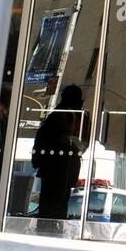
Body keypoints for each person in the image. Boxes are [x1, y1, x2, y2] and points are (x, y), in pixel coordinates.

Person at [32, 83, 86, 227]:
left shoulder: (62, 115)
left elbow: (43, 137)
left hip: (56, 168)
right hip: (61, 168)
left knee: (52, 204)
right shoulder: (69, 116)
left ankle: (50, 227)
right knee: (57, 205)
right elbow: (79, 144)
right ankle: (52, 227)